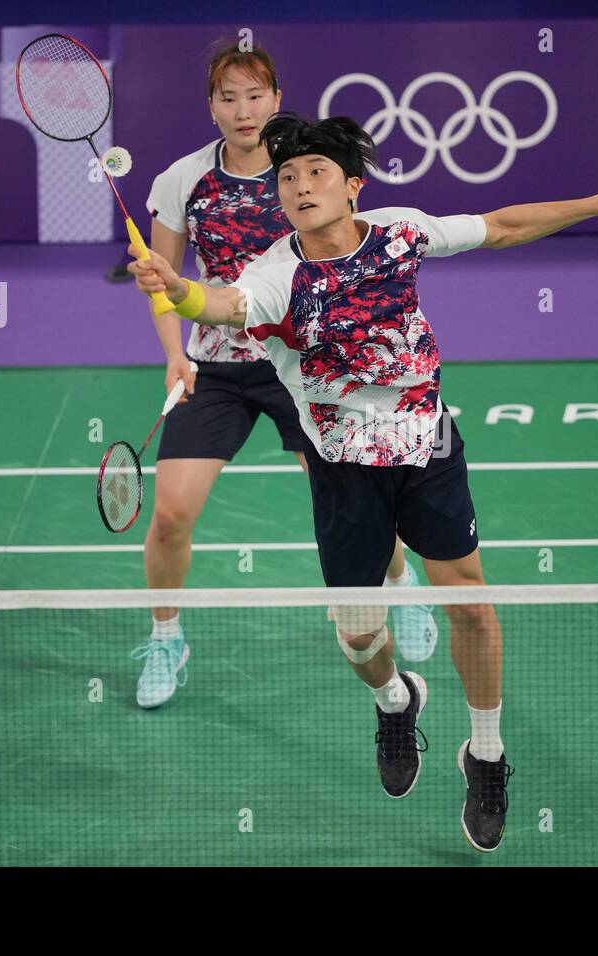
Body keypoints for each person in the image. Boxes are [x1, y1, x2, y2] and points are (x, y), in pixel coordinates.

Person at [130, 113, 598, 852]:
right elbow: (220, 305)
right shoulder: (273, 276)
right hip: (343, 469)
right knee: (358, 638)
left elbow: (502, 224)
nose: (298, 185)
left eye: (316, 172)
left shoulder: (400, 232)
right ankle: (396, 700)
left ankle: (484, 753)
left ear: (352, 186)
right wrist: (177, 290)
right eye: (287, 177)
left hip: (427, 449)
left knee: (472, 610)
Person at [131, 47, 438, 711]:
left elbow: (349, 249)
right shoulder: (182, 181)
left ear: (276, 98)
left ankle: (401, 581)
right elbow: (163, 282)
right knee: (170, 514)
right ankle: (166, 636)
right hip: (217, 365)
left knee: (358, 507)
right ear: (210, 107)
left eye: (254, 96)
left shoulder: (306, 172)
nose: (242, 112)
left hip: (308, 366)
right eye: (227, 99)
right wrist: (173, 355)